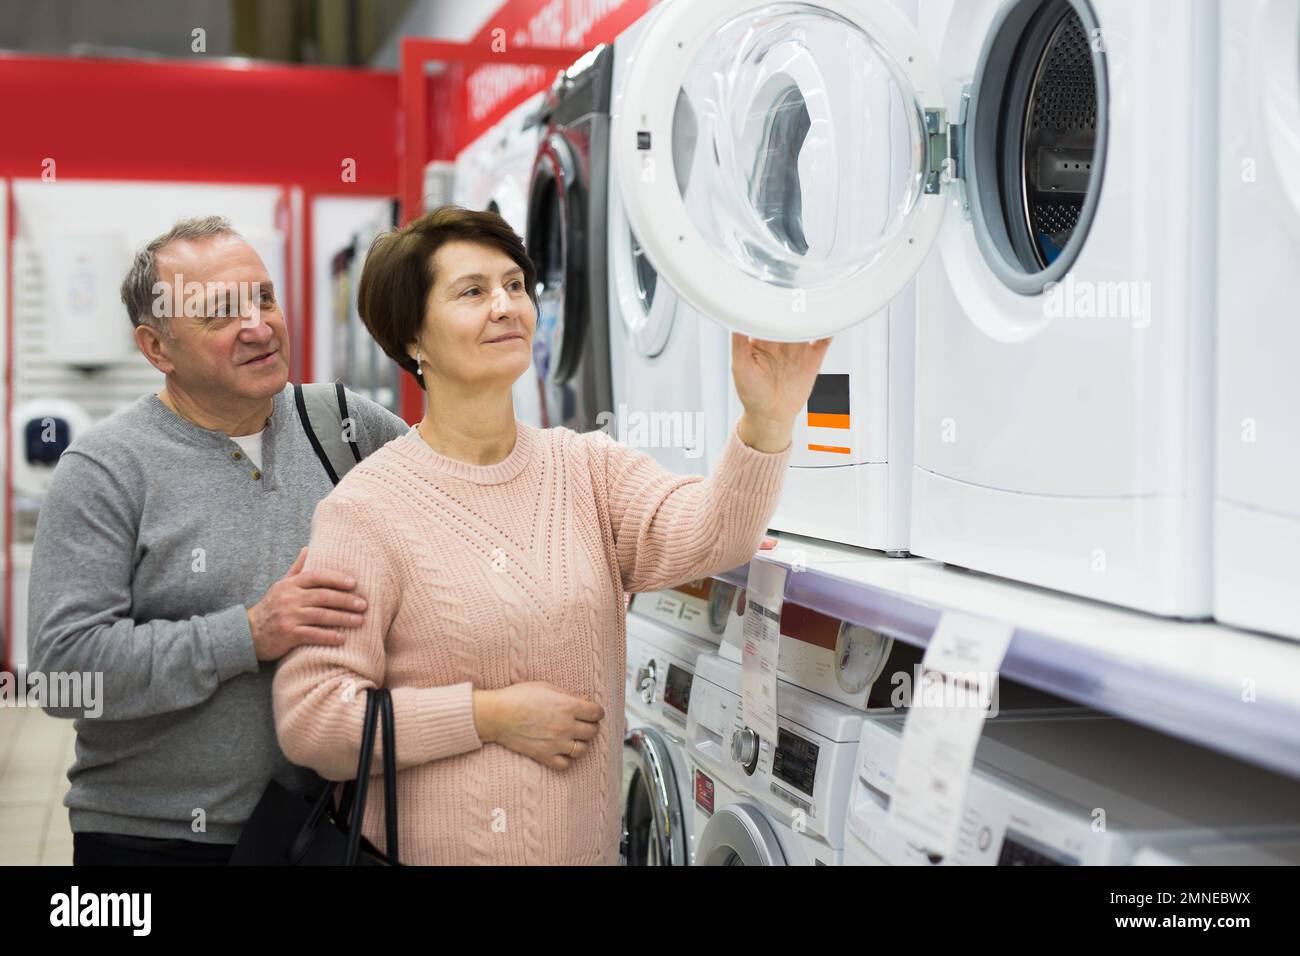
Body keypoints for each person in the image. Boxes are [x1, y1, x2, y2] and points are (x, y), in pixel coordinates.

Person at [273, 205, 829, 864]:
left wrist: (765, 423)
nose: (506, 306)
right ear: (414, 338)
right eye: (473, 291)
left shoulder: (587, 467)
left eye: (515, 285)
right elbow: (315, 720)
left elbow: (714, 535)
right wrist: (489, 715)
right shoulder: (365, 511)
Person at [27, 215, 410, 865]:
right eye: (219, 313)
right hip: (152, 840)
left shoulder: (349, 426)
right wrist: (249, 634)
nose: (259, 325)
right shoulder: (105, 470)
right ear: (157, 348)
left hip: (319, 831)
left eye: (263, 297)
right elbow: (65, 674)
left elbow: (458, 509)